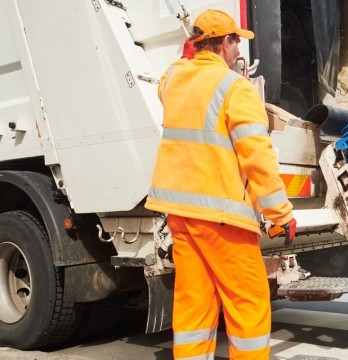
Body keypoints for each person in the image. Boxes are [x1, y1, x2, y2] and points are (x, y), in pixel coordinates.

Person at [145, 9, 296, 360]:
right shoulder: (235, 87)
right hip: (223, 217)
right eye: (236, 40)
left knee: (194, 304)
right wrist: (280, 214)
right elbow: (257, 157)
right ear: (225, 42)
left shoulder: (174, 81)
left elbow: (167, 77)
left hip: (181, 216)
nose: (238, 47)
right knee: (248, 305)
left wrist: (188, 54)